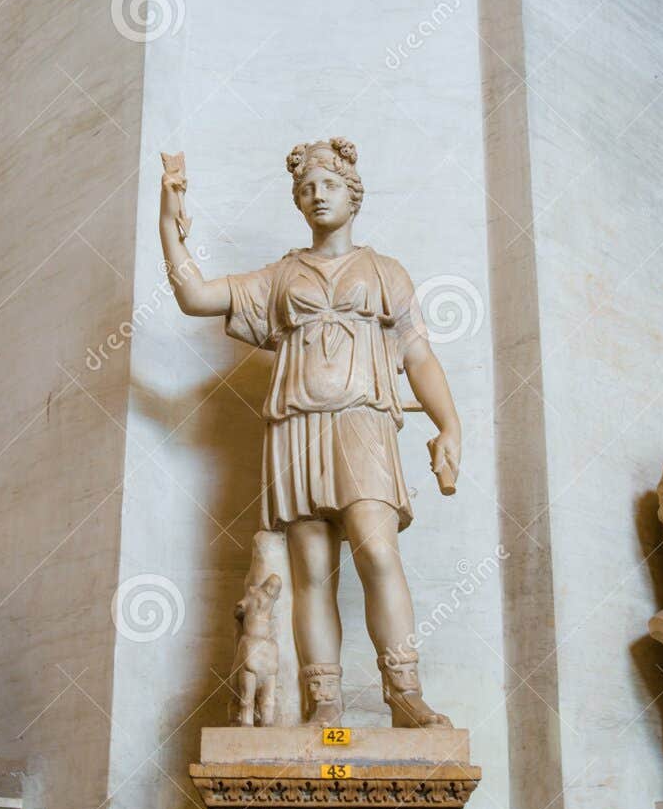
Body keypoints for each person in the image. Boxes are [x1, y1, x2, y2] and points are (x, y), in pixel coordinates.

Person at [159, 138, 461, 727]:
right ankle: (325, 704)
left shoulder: (386, 272)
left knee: (377, 550)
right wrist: (169, 221)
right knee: (312, 573)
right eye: (305, 189)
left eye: (327, 185)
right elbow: (194, 296)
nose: (316, 196)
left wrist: (450, 424)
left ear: (353, 194)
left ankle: (403, 692)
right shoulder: (279, 278)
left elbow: (419, 356)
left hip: (363, 418)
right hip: (296, 427)